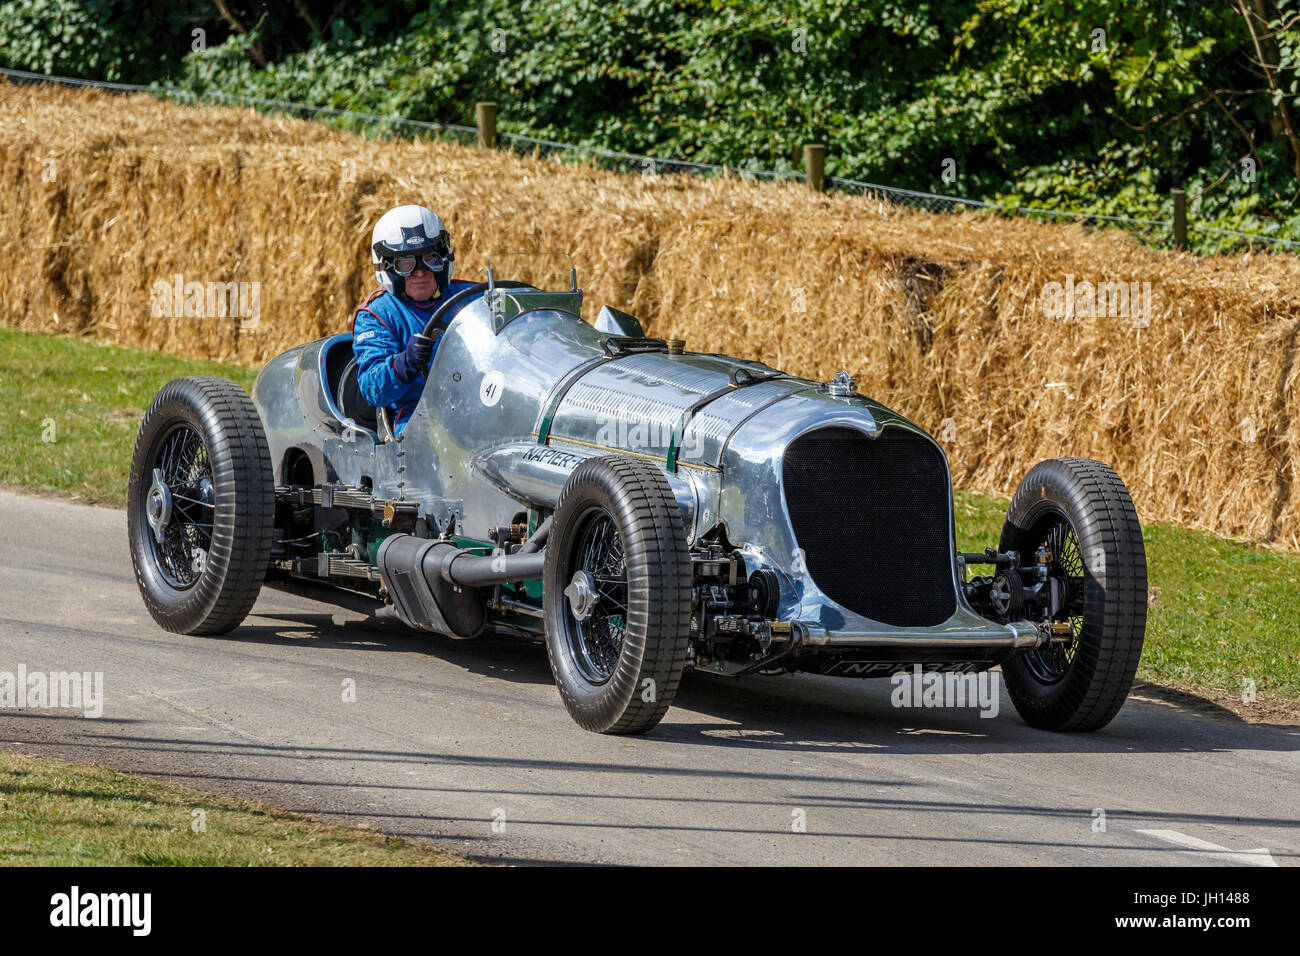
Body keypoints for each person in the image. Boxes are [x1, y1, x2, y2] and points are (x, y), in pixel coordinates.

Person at [350, 204, 477, 434]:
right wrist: (404, 364)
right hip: (416, 420)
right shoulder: (378, 315)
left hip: (480, 403)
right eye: (405, 263)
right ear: (387, 268)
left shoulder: (469, 296)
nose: (420, 271)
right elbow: (371, 389)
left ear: (443, 259)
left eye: (430, 258)